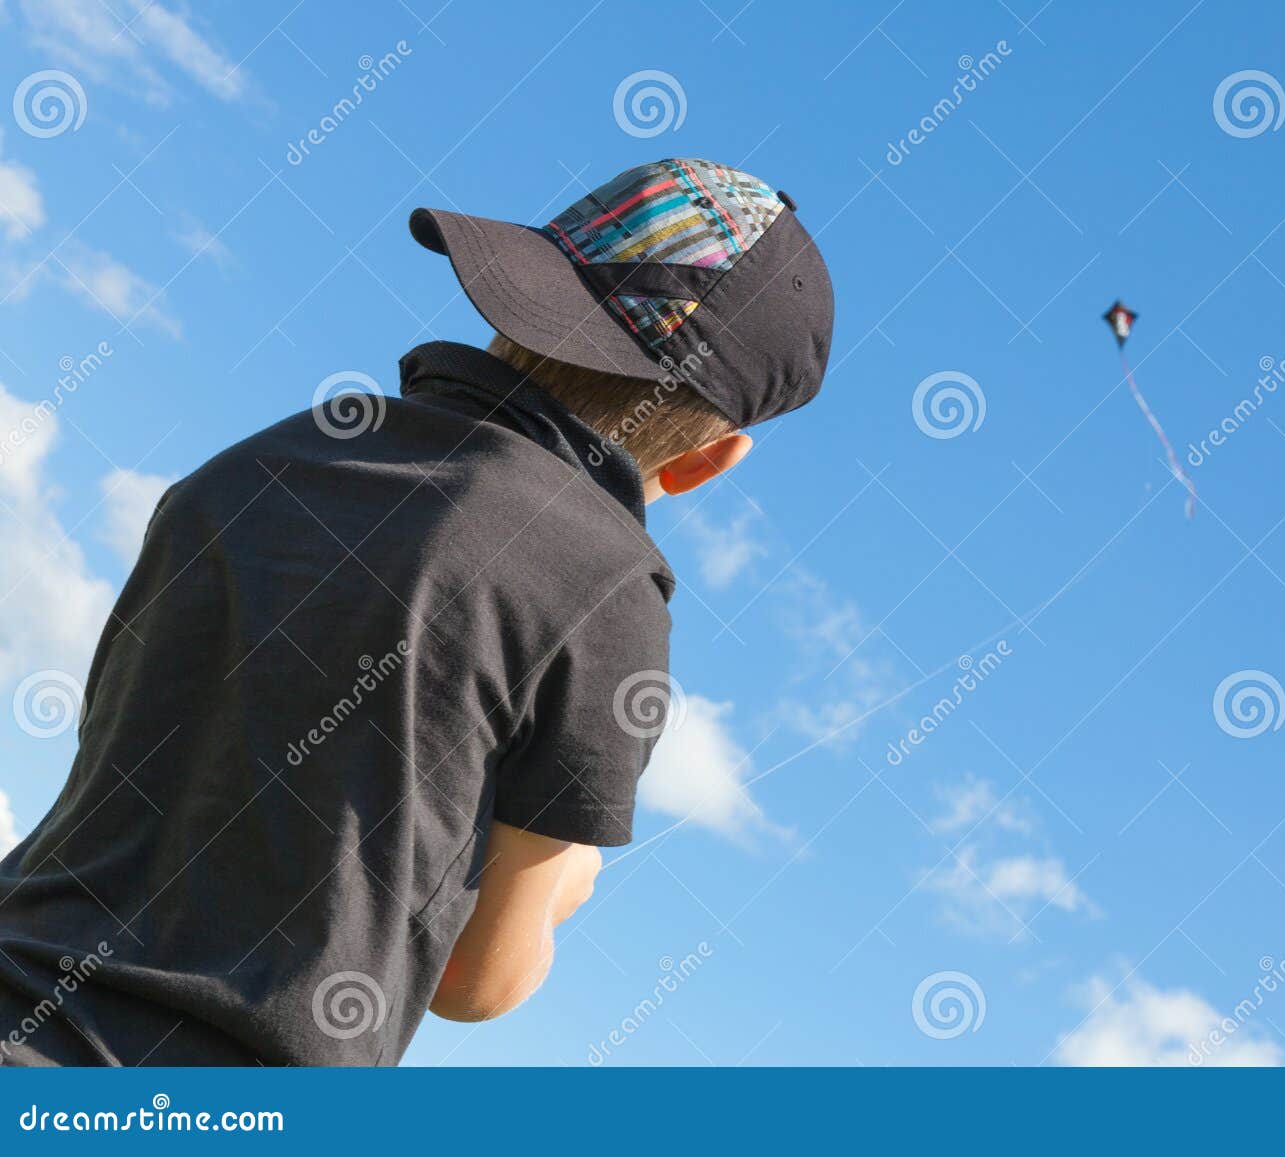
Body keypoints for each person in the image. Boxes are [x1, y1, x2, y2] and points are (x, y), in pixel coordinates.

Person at [0, 158, 833, 1065]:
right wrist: (564, 886)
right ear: (713, 460)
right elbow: (478, 984)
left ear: (517, 293)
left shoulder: (261, 459)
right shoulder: (607, 585)